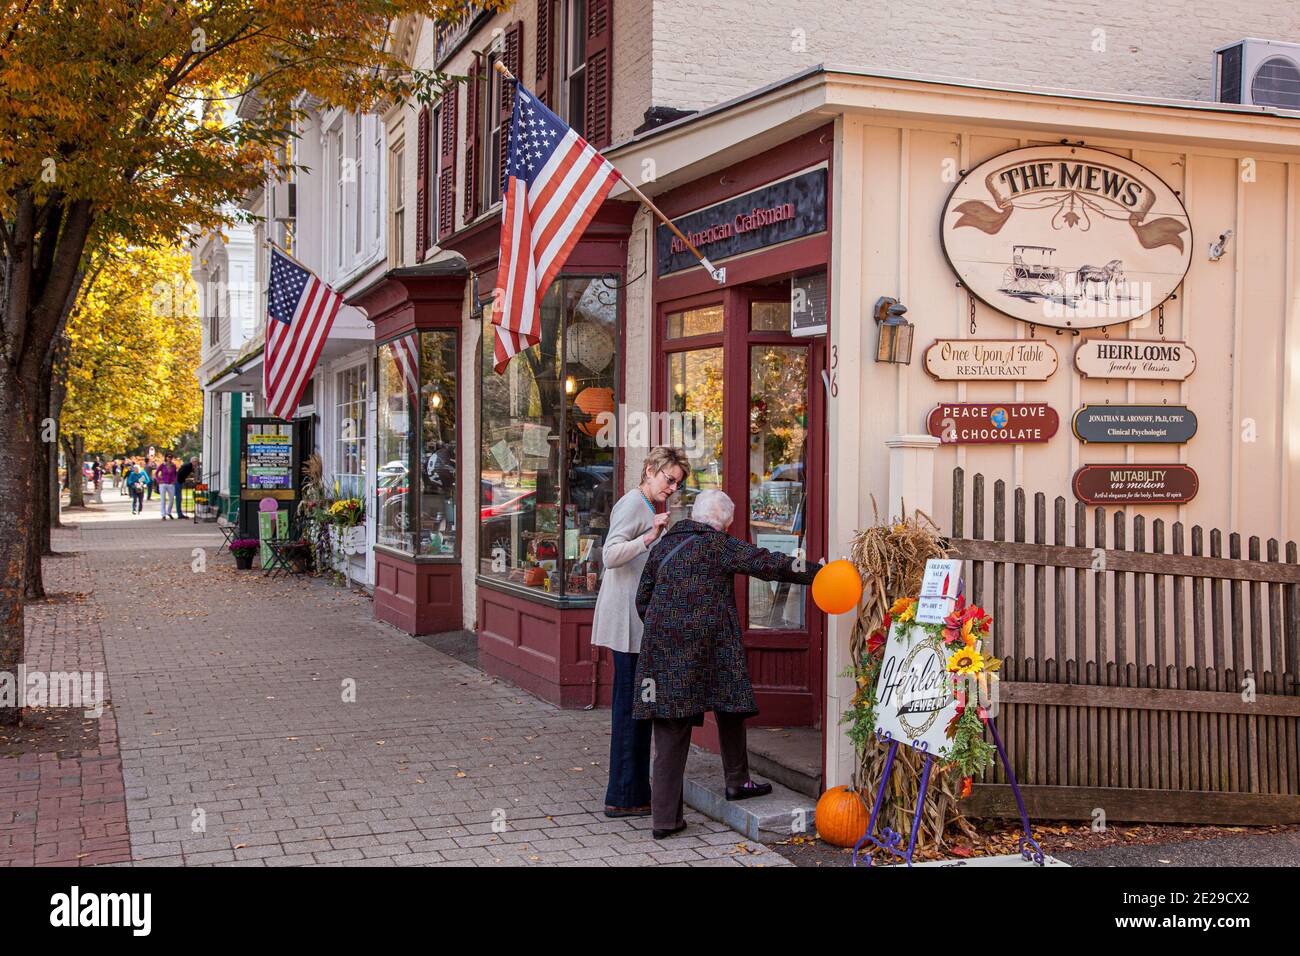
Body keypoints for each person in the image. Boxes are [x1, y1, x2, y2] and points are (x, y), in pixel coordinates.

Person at [633, 489, 821, 840]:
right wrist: (818, 573)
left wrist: (667, 630)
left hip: (663, 651)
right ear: (720, 522)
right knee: (729, 705)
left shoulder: (663, 547)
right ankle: (737, 780)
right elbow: (769, 563)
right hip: (712, 648)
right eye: (729, 524)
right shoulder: (718, 544)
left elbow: (642, 599)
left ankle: (666, 818)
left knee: (672, 731)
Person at [590, 447, 690, 819]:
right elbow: (610, 555)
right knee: (631, 710)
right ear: (650, 471)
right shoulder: (633, 504)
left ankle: (630, 791)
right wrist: (649, 538)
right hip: (625, 624)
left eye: (677, 483)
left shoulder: (649, 508)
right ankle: (624, 795)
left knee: (635, 708)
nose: (672, 487)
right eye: (669, 479)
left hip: (636, 623)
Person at [156, 454, 179, 519]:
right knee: (163, 499)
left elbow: (175, 474)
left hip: (171, 484)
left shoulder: (173, 465)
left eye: (171, 457)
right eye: (168, 457)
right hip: (163, 484)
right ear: (166, 457)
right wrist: (158, 480)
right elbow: (156, 473)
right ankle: (163, 514)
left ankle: (168, 512)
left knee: (171, 499)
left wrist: (174, 481)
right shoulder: (162, 465)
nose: (170, 458)